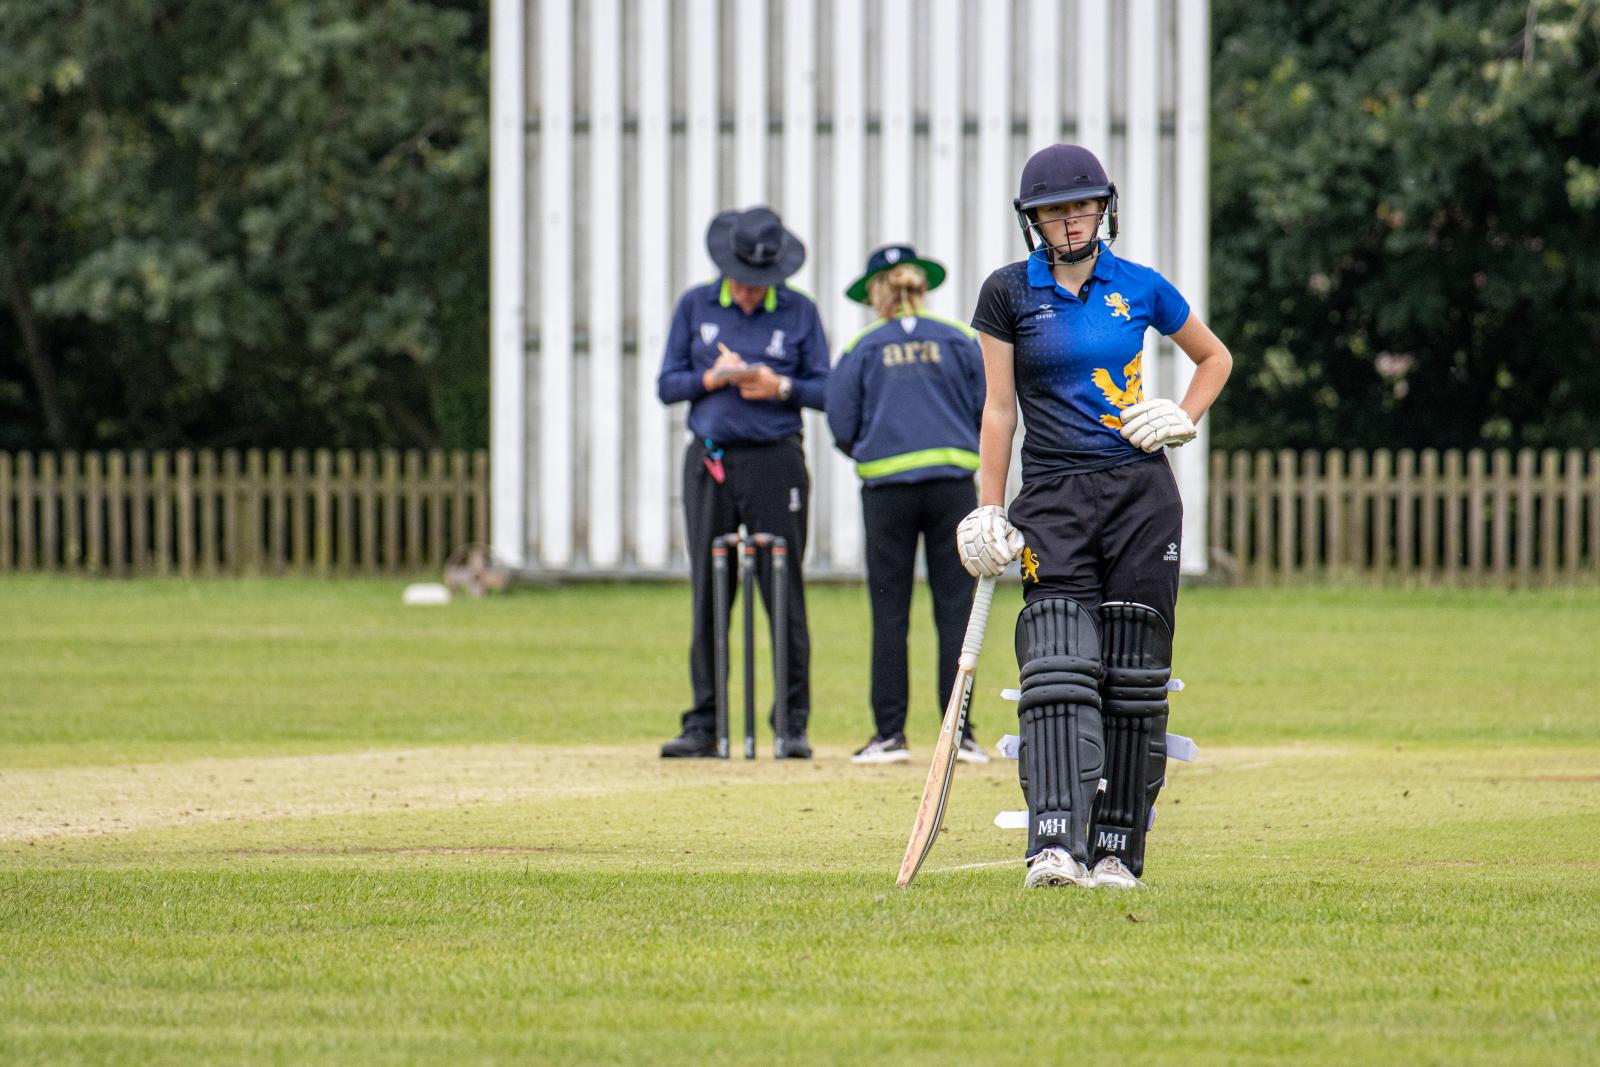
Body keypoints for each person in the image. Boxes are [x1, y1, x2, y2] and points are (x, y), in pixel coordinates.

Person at [960, 144, 1233, 889]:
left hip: (1141, 494)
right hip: (1052, 496)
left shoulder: (1139, 287)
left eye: (1082, 205)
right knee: (1056, 664)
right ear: (1033, 221)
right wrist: (988, 507)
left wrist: (1182, 415)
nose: (1070, 220)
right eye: (1054, 209)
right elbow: (998, 407)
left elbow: (1216, 358)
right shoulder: (1008, 293)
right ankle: (1053, 843)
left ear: (1103, 207)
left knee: (1134, 673)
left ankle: (1118, 848)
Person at [656, 206, 830, 759]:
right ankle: (705, 722)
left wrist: (777, 386)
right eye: (746, 284)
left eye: (764, 285)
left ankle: (791, 724)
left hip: (776, 461)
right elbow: (667, 384)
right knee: (710, 591)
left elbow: (825, 389)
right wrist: (716, 377)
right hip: (711, 461)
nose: (754, 295)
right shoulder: (696, 305)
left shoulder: (800, 312)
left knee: (783, 593)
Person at [825, 245, 990, 767]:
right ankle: (958, 734)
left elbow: (840, 424)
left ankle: (889, 735)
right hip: (952, 488)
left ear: (877, 294)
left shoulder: (862, 346)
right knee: (956, 613)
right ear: (923, 287)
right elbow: (988, 405)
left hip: (886, 491)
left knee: (890, 611)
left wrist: (878, 450)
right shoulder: (959, 340)